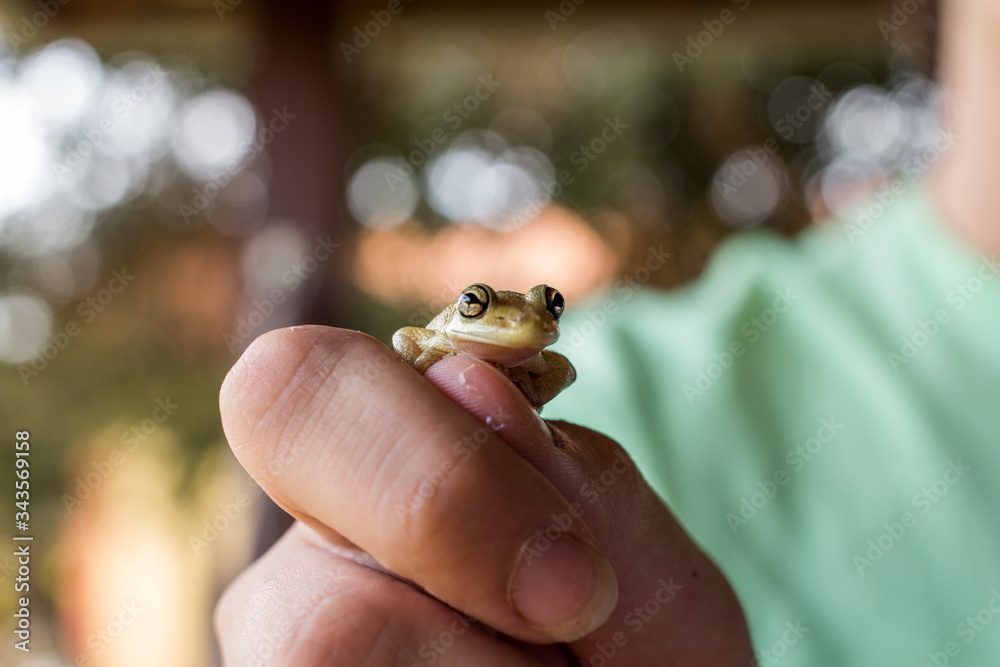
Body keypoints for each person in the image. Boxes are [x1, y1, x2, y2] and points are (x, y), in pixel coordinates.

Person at [214, 0, 1000, 663]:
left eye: (546, 307)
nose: (527, 321)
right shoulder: (638, 411)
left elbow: (548, 363)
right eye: (492, 301)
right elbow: (414, 352)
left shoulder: (572, 369)